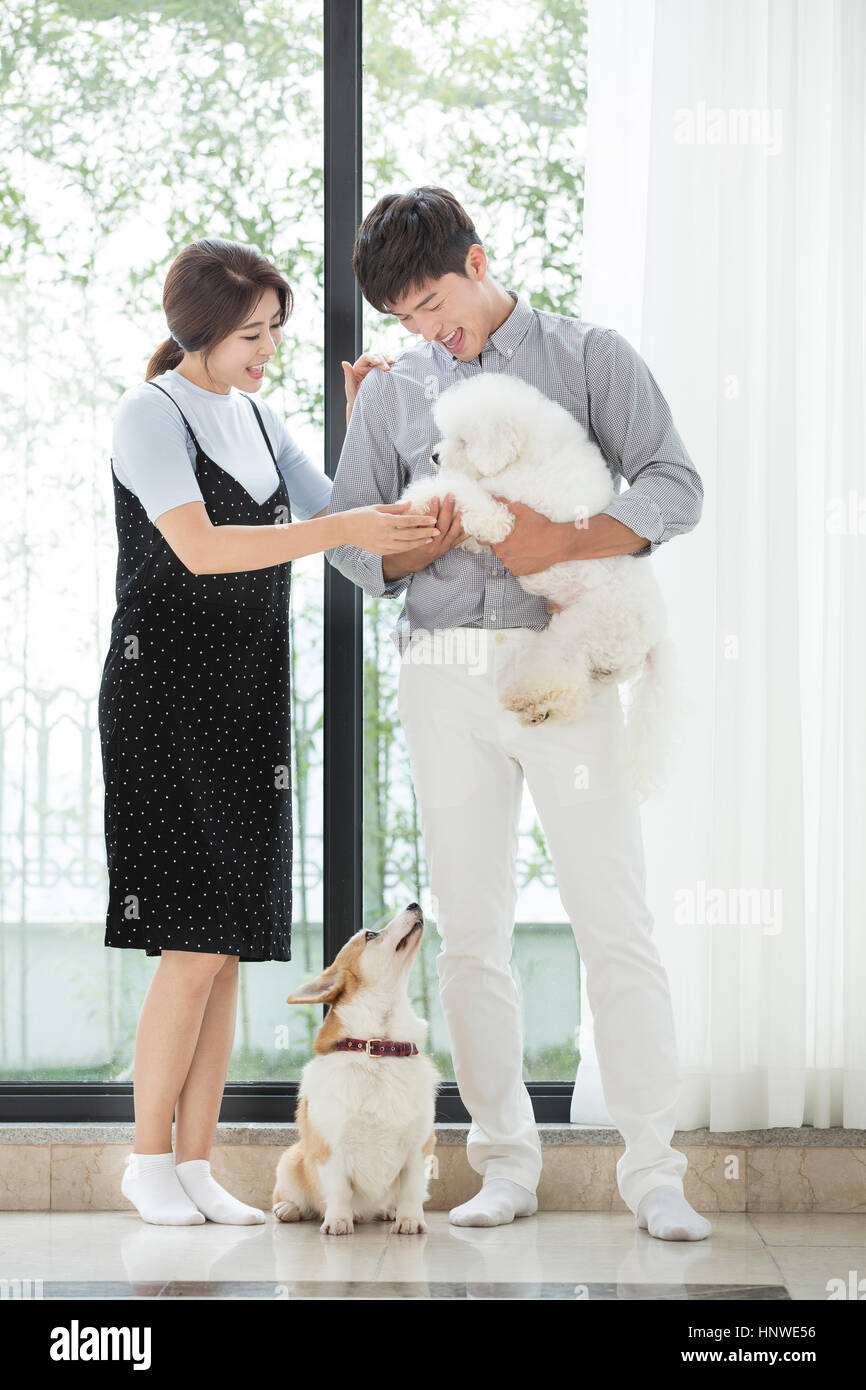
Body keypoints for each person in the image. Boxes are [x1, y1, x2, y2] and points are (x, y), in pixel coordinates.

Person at [324, 186, 711, 1241]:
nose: (428, 331)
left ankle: (653, 1171)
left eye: (436, 301)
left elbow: (676, 485)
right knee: (470, 936)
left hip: (566, 671)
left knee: (612, 919)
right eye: (404, 318)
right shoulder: (392, 393)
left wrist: (566, 542)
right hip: (442, 674)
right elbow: (355, 551)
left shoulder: (589, 355)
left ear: (478, 260)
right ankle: (502, 1161)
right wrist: (419, 537)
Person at [99, 236, 437, 1226]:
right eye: (252, 332)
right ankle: (144, 1161)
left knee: (230, 944)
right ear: (196, 331)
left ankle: (195, 1167)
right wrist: (342, 529)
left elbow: (347, 513)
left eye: (275, 329)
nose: (268, 348)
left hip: (246, 700)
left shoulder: (259, 415)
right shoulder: (147, 414)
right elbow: (200, 547)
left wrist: (379, 414)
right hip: (161, 698)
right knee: (188, 946)